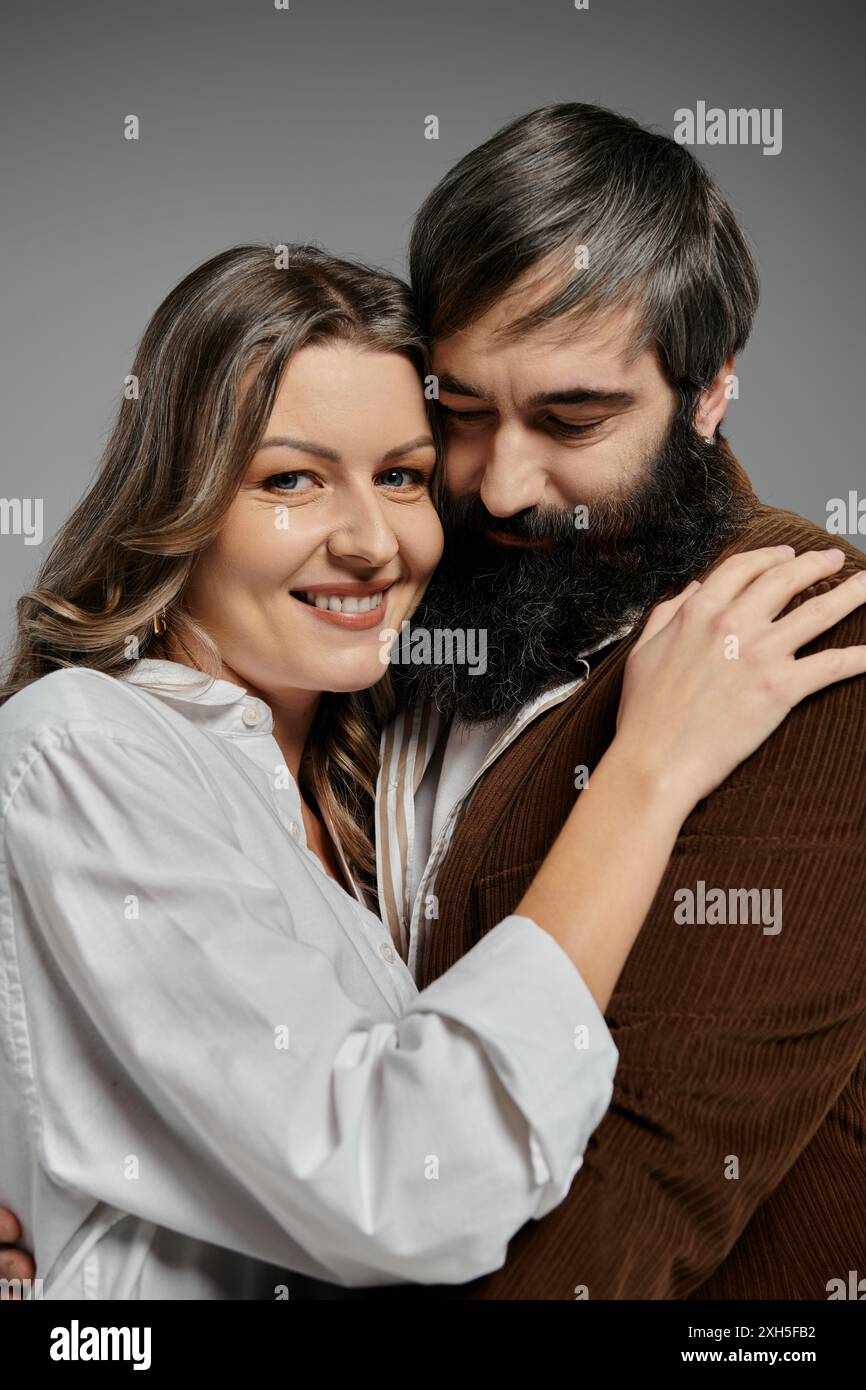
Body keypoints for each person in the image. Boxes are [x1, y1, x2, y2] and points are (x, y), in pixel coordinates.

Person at [3, 242, 860, 1301]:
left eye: (401, 476)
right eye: (288, 479)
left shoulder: (378, 779)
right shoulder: (84, 746)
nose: (369, 541)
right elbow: (409, 1184)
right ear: (179, 498)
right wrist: (645, 770)